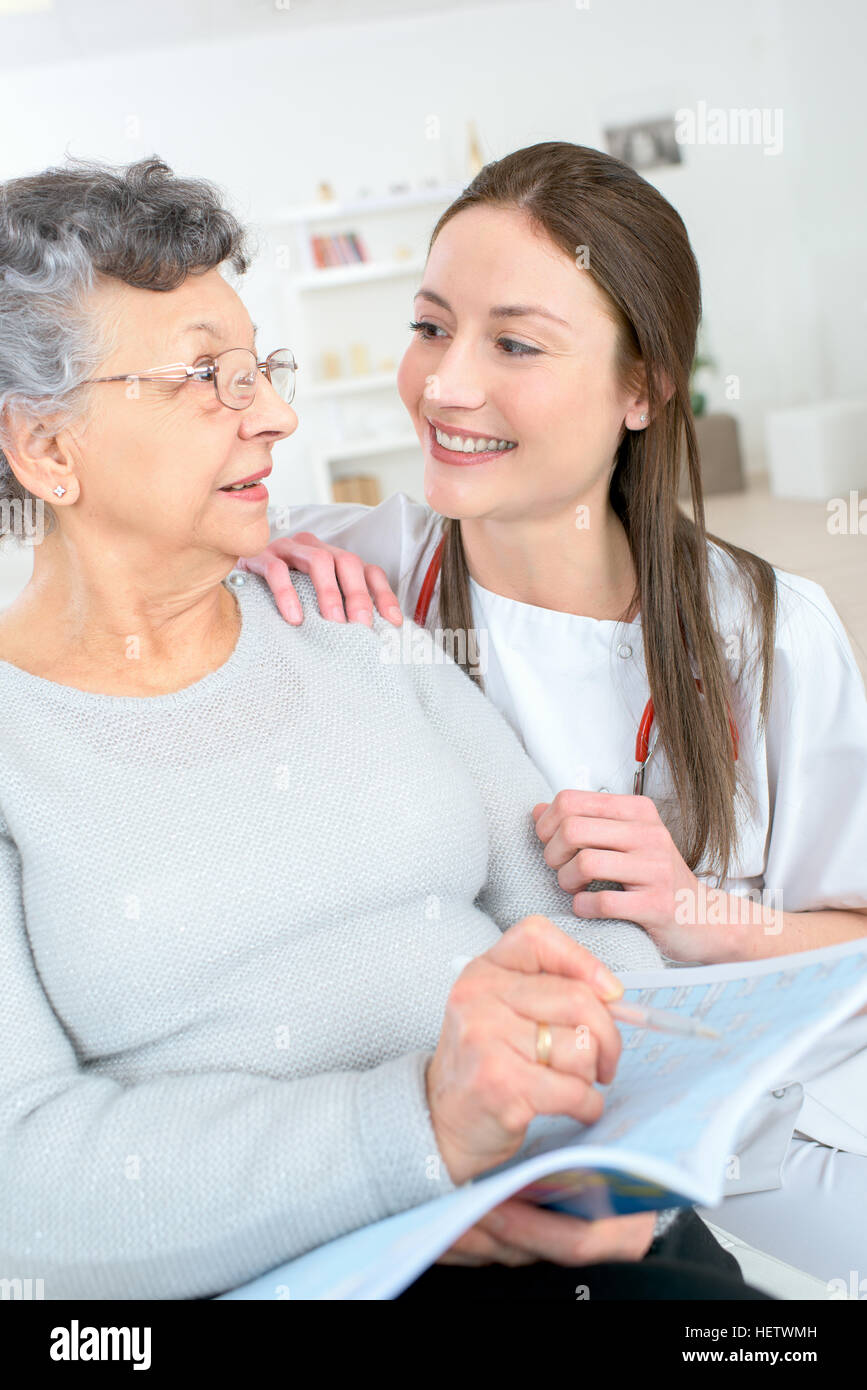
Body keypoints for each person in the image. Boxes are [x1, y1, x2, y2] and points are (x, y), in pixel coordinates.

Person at [0, 154, 768, 1302]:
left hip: (566, 1208)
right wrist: (419, 1134)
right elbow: (29, 1186)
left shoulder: (351, 620)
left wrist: (591, 1135)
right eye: (206, 376)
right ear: (47, 449)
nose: (276, 414)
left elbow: (571, 922)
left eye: (260, 366)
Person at [241, 141, 867, 1281]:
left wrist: (694, 910)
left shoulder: (769, 628)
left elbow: (855, 941)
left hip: (753, 1107)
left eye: (515, 343)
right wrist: (231, 542)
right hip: (491, 1144)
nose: (445, 385)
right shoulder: (342, 574)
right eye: (430, 327)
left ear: (644, 387)